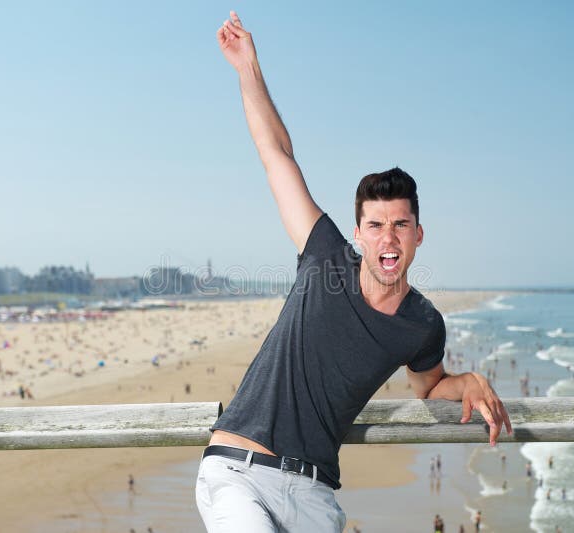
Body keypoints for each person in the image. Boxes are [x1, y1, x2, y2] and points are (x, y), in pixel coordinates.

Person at [196, 11, 512, 533]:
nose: (388, 237)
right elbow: (276, 154)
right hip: (239, 473)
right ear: (359, 233)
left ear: (417, 235)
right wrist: (248, 69)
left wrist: (472, 381)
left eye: (400, 225)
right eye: (376, 225)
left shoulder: (423, 324)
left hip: (315, 494)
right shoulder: (323, 254)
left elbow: (430, 388)